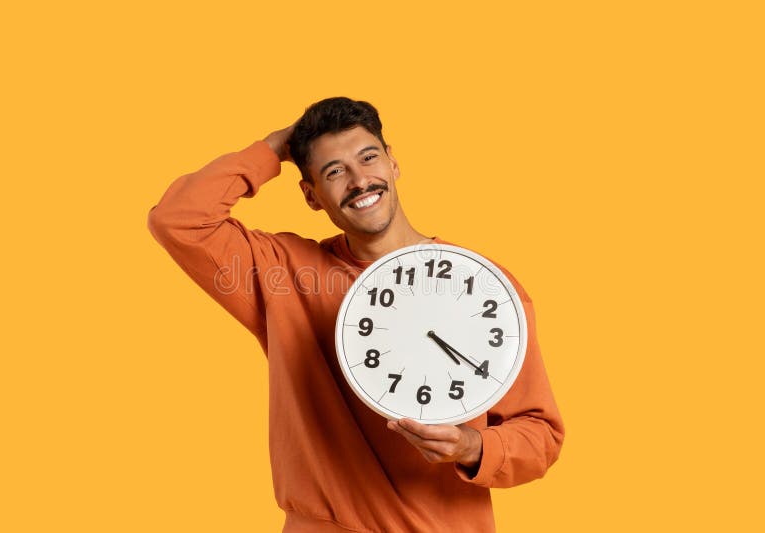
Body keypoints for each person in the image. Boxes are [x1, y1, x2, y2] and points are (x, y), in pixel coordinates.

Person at [147, 97, 564, 532]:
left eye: (368, 158)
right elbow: (177, 220)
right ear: (311, 196)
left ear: (393, 163)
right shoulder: (283, 274)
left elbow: (540, 435)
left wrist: (472, 447)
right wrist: (273, 148)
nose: (360, 181)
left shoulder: (485, 285)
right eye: (334, 171)